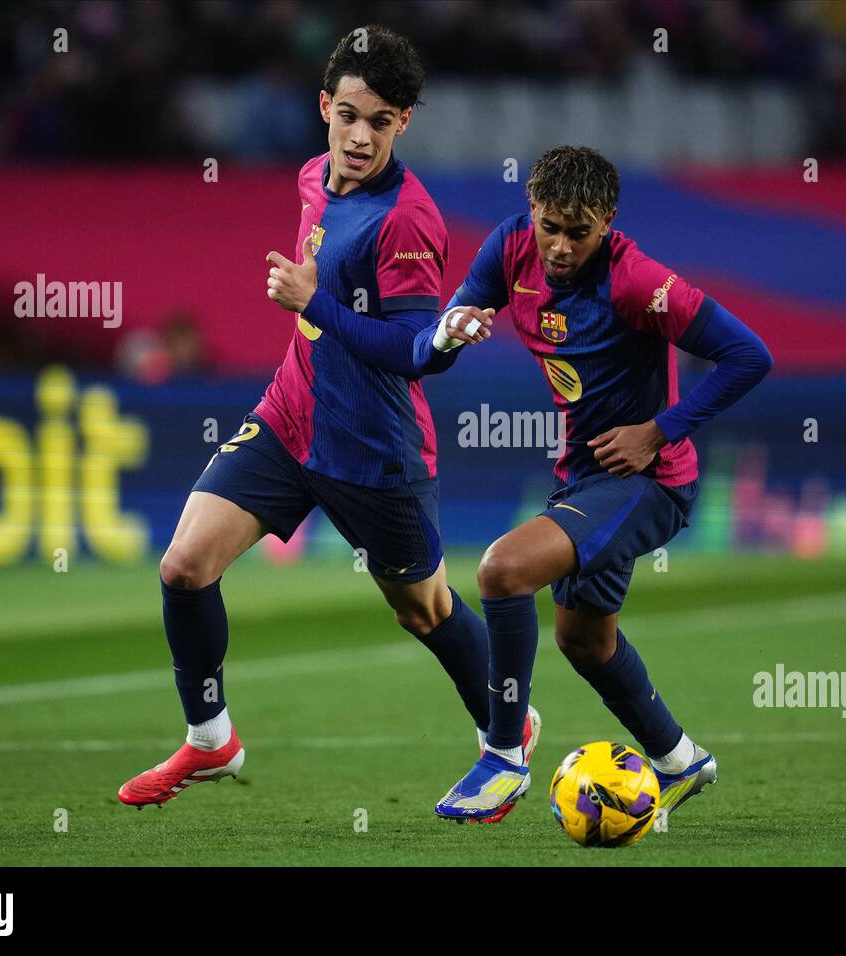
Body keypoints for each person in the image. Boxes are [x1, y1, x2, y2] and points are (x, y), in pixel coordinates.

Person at [118, 25, 537, 812]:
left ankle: (508, 731)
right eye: (348, 114)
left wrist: (318, 304)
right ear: (324, 106)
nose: (358, 135)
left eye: (380, 121)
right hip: (291, 414)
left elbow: (416, 353)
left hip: (373, 448)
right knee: (183, 566)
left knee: (425, 611)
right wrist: (317, 311)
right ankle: (212, 740)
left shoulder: (408, 221)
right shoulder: (313, 177)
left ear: (403, 121)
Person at [428, 145, 772, 822]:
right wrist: (455, 327)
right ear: (532, 210)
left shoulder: (639, 282)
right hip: (586, 479)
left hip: (651, 480)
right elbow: (458, 315)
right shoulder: (509, 249)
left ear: (607, 221)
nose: (559, 246)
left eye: (578, 232)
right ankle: (680, 760)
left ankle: (503, 756)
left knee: (502, 570)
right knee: (583, 641)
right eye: (549, 226)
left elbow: (748, 355)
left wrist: (662, 429)